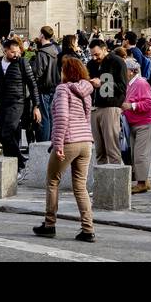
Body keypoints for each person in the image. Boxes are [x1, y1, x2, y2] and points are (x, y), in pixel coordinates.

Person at [34, 56, 96, 242]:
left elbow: (61, 117)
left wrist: (58, 144)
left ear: (67, 72)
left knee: (53, 181)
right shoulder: (85, 90)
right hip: (86, 141)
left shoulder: (63, 89)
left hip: (69, 140)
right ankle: (88, 229)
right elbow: (86, 116)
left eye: (62, 70)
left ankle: (49, 224)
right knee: (80, 186)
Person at [0, 38, 41, 178]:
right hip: (1, 103)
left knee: (7, 132)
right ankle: (12, 168)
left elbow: (33, 85)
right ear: (5, 51)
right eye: (13, 52)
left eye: (18, 52)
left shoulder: (22, 63)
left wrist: (36, 106)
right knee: (3, 135)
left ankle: (21, 162)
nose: (16, 55)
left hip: (17, 103)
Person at [87, 39, 127, 166]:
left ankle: (116, 181)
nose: (94, 57)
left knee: (112, 149)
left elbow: (122, 87)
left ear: (105, 49)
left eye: (97, 54)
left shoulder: (117, 62)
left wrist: (103, 83)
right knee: (99, 150)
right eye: (92, 54)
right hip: (94, 107)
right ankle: (101, 181)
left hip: (110, 107)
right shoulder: (91, 64)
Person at [123, 58, 151, 193]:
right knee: (135, 154)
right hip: (134, 122)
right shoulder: (130, 83)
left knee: (141, 154)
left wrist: (131, 106)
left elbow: (148, 103)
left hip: (145, 122)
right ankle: (143, 180)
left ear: (131, 71)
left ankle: (142, 183)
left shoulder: (141, 83)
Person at [31, 26, 61, 143]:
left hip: (44, 88)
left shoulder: (42, 53)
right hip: (55, 87)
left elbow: (37, 73)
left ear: (42, 35)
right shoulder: (56, 50)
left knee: (44, 119)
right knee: (52, 117)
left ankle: (43, 146)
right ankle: (52, 143)